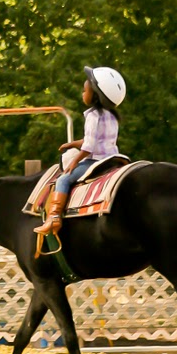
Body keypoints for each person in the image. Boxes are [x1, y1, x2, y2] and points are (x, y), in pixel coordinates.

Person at [35, 65, 127, 235]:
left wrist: (75, 161)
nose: (82, 94)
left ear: (95, 96)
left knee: (63, 180)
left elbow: (89, 146)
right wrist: (72, 144)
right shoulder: (112, 116)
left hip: (95, 160)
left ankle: (54, 217)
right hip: (113, 158)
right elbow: (98, 140)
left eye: (85, 91)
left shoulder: (93, 115)